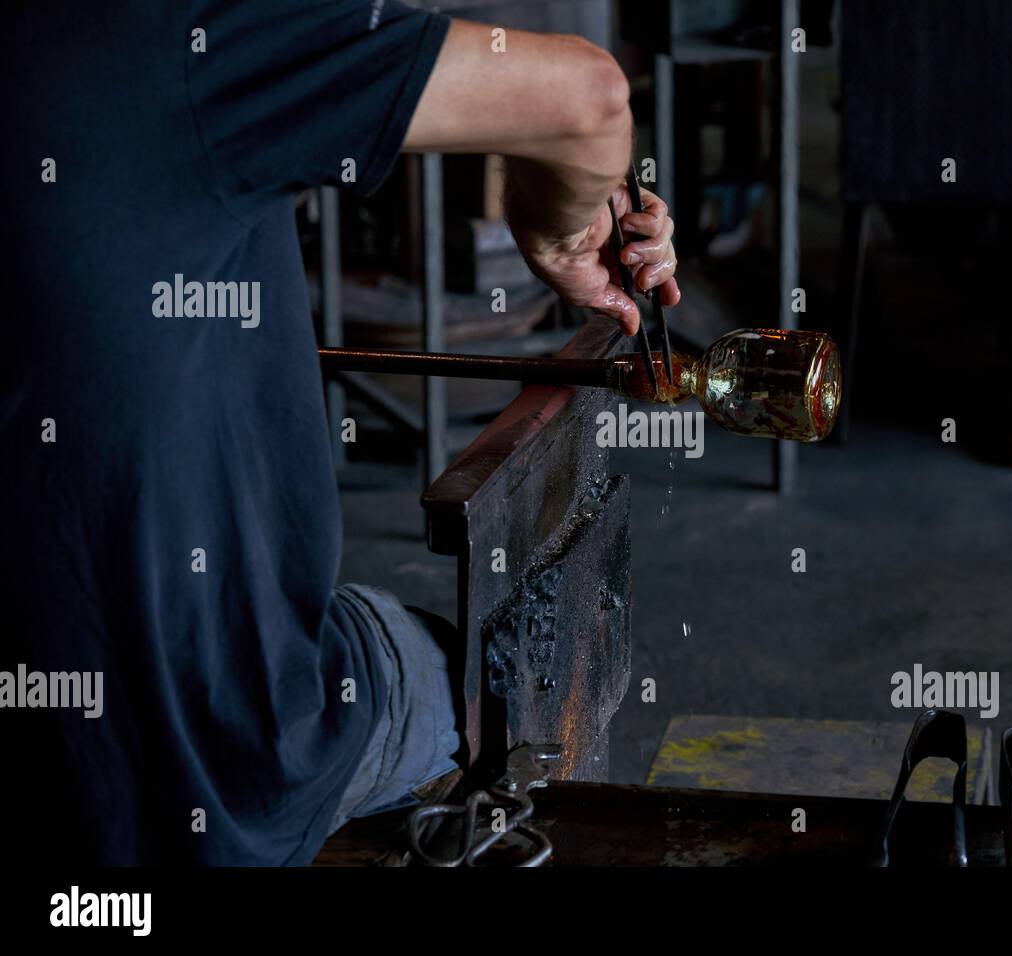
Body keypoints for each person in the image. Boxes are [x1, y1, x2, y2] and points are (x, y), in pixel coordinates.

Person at [0, 0, 679, 865]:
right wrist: (556, 230)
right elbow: (589, 98)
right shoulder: (172, 34)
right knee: (474, 664)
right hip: (206, 767)